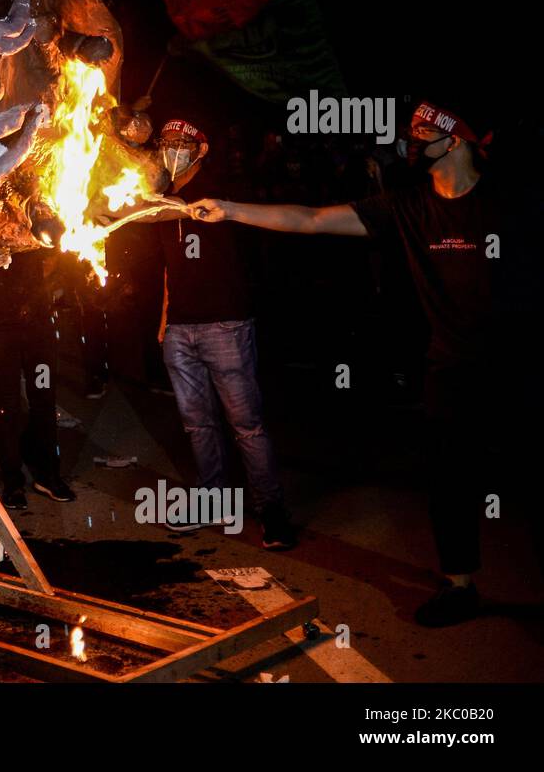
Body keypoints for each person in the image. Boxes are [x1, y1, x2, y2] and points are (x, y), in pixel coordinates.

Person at [188, 95, 538, 625]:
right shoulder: (407, 206)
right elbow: (310, 220)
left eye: (425, 139)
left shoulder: (508, 202)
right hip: (450, 365)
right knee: (449, 477)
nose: (414, 147)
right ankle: (459, 584)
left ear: (458, 142)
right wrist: (232, 209)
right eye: (412, 138)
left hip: (518, 362)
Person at [136, 119, 294, 548]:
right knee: (197, 424)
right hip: (181, 329)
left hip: (226, 324)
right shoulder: (162, 196)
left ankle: (272, 510)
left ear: (201, 151)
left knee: (246, 425)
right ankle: (213, 500)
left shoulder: (221, 190)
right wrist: (165, 320)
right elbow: (172, 266)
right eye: (167, 141)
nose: (173, 148)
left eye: (183, 143)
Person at [0, 248, 74, 508]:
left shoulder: (33, 210)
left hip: (38, 323)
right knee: (6, 405)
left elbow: (57, 253)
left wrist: (49, 281)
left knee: (44, 399)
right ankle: (12, 481)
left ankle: (48, 474)